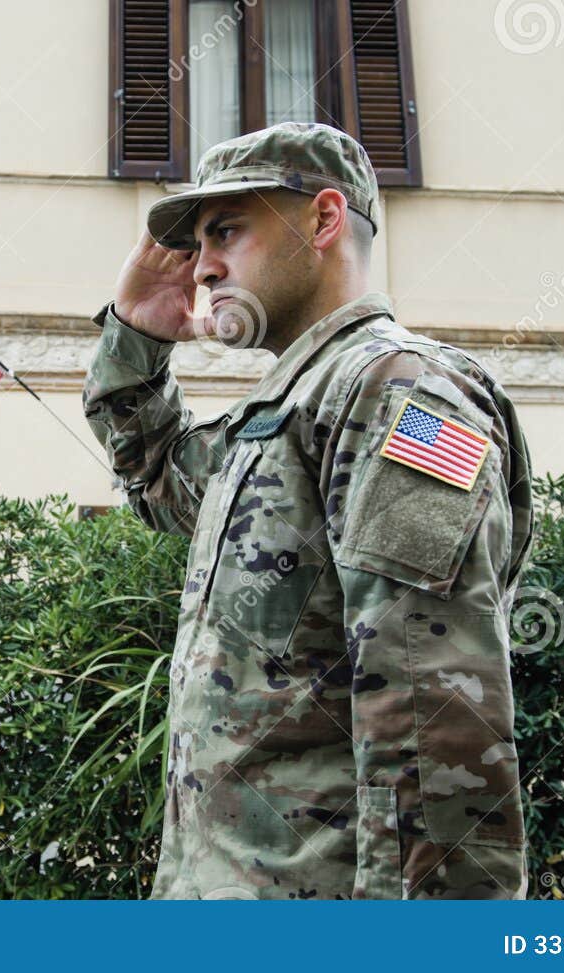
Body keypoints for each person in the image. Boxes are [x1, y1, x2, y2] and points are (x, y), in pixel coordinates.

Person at [84, 122, 536, 899]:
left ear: (325, 220)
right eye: (197, 242)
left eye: (226, 230)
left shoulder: (403, 393)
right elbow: (158, 476)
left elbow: (433, 712)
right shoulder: (284, 411)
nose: (205, 266)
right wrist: (137, 337)